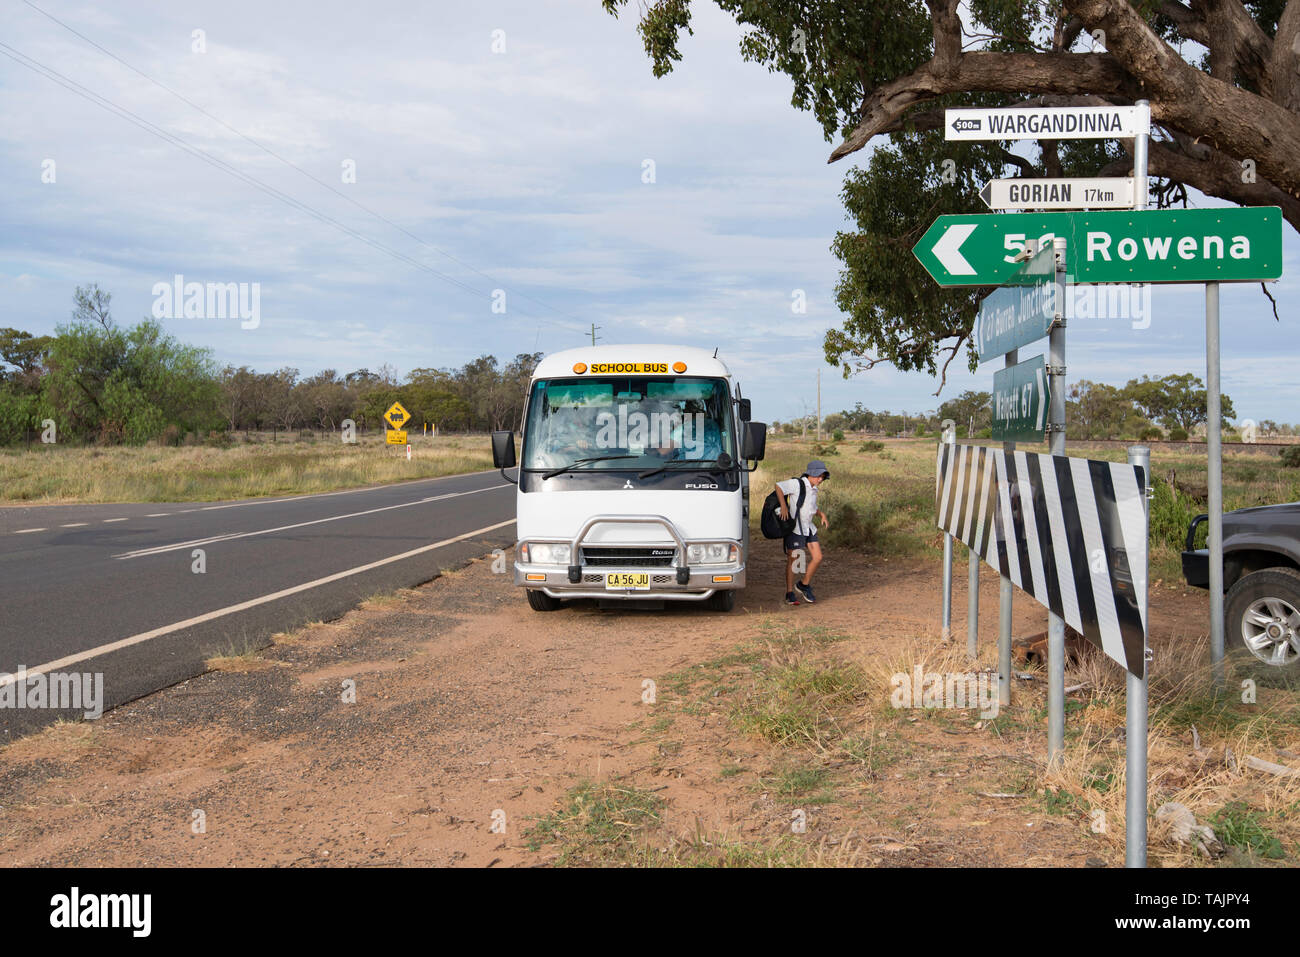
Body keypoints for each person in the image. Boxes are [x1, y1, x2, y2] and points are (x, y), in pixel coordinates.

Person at [774, 460, 830, 605]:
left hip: (808, 527)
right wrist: (783, 506)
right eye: (819, 476)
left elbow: (811, 507)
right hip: (795, 528)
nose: (820, 479)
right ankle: (789, 592)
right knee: (794, 562)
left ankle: (803, 585)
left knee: (818, 557)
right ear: (811, 474)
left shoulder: (814, 489)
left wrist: (821, 514)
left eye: (822, 477)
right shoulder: (797, 484)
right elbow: (779, 487)